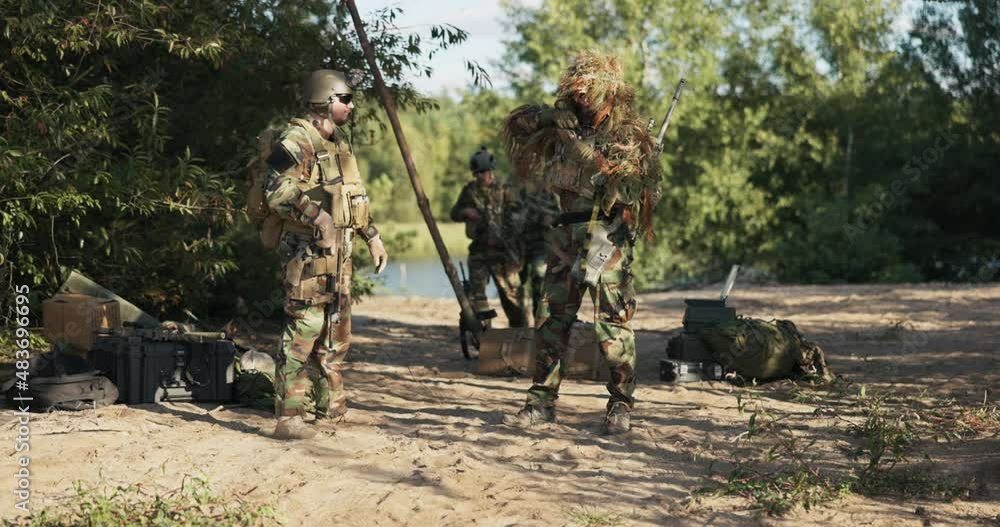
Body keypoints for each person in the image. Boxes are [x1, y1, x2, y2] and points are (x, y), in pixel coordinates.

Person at [500, 50, 662, 434]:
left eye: (589, 89)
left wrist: (595, 162)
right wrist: (549, 117)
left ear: (608, 90)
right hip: (565, 234)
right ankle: (541, 402)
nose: (583, 95)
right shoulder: (563, 121)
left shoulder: (628, 133)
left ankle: (620, 405)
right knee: (552, 320)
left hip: (608, 236)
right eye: (577, 89)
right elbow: (518, 126)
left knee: (612, 323)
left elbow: (641, 188)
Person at [263, 69, 389, 440]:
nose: (351, 106)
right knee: (303, 331)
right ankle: (288, 417)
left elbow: (352, 198)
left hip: (340, 256)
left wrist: (373, 236)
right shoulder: (296, 138)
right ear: (325, 99)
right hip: (307, 254)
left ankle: (329, 411)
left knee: (336, 334)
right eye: (345, 99)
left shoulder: (338, 142)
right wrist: (317, 217)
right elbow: (276, 190)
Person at [450, 146, 528, 328]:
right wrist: (465, 212)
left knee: (513, 298)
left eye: (482, 173)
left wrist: (505, 235)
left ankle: (520, 337)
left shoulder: (504, 189)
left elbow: (519, 215)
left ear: (490, 171)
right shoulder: (469, 191)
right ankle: (484, 334)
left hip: (504, 253)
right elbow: (454, 213)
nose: (479, 177)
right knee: (477, 296)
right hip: (480, 250)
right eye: (476, 173)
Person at [515, 184, 559, 325]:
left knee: (539, 286)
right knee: (518, 287)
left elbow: (558, 217)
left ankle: (538, 324)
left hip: (542, 247)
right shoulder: (523, 194)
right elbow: (516, 218)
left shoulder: (551, 197)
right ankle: (521, 323)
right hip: (522, 246)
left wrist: (552, 220)